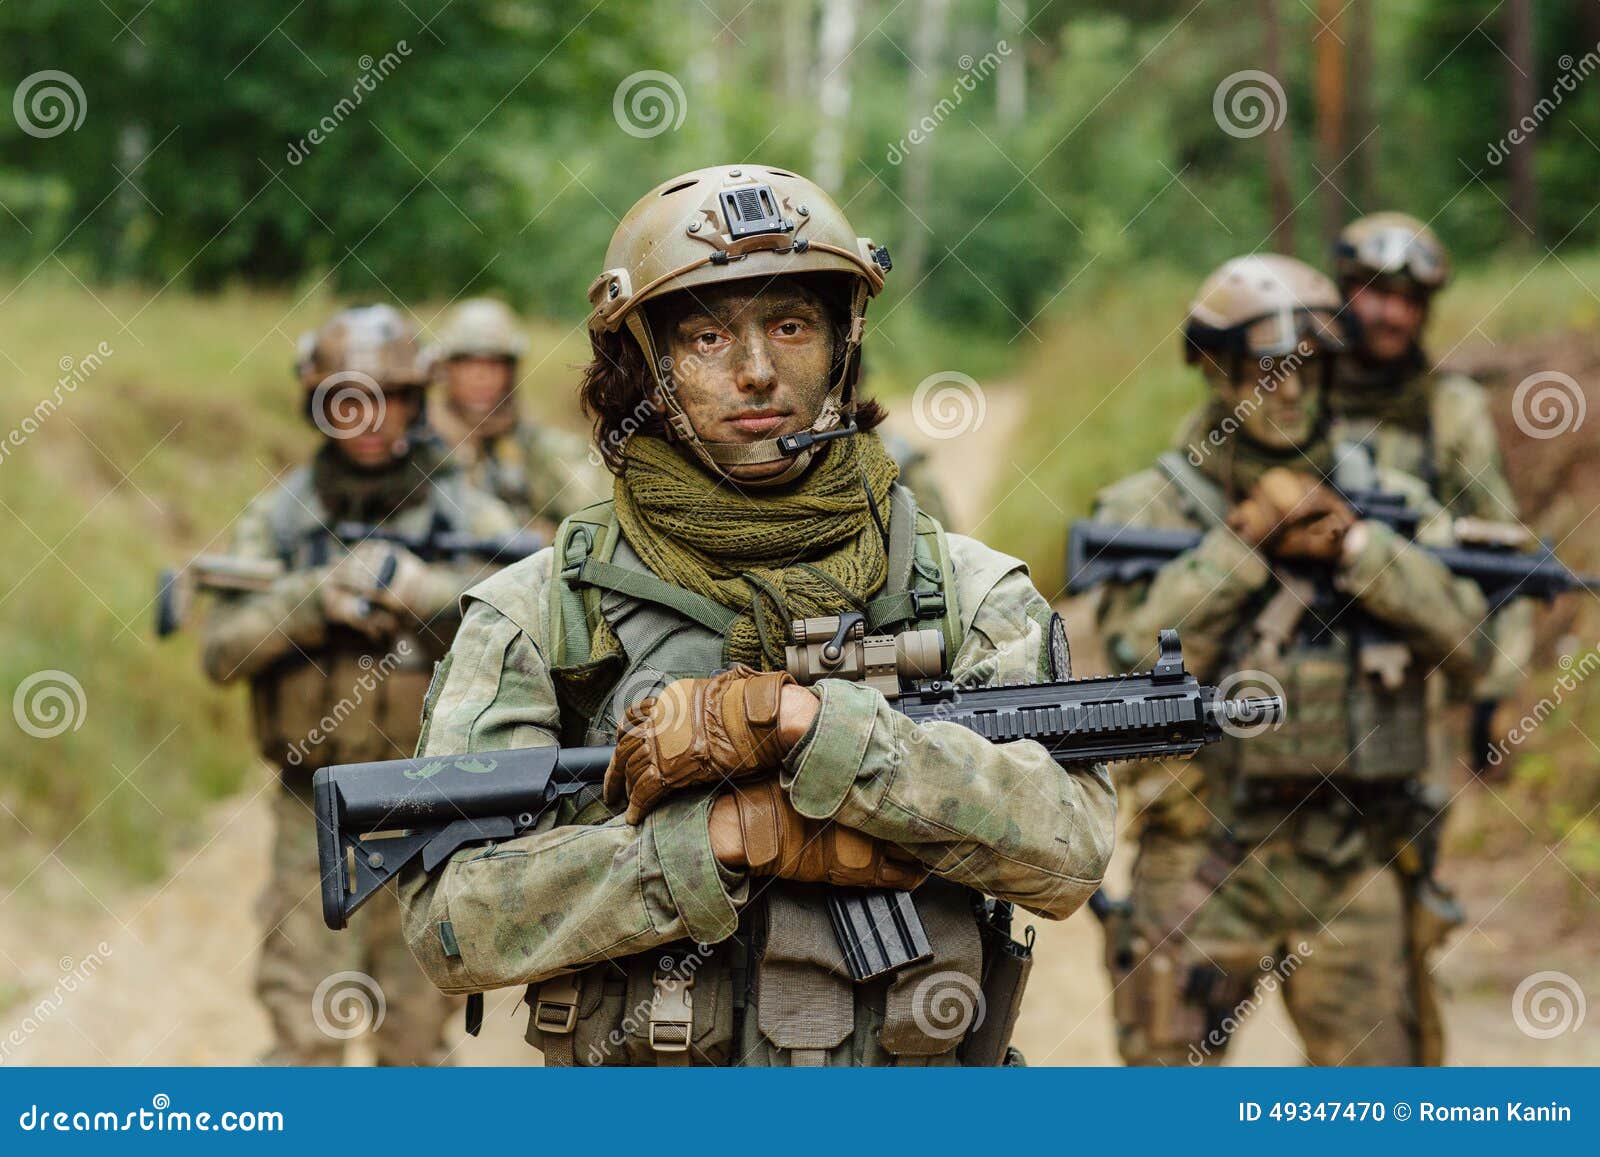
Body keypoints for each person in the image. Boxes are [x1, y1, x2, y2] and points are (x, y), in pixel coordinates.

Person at [396, 164, 1115, 1067]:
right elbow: (450, 922)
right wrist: (713, 844)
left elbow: (1069, 848)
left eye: (791, 325)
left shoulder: (966, 588)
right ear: (646, 366)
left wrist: (821, 730)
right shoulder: (541, 610)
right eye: (704, 337)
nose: (756, 371)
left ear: (842, 344)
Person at [1092, 255, 1487, 1066]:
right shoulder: (1153, 504)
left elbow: (1472, 646)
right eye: (1265, 372)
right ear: (1217, 368)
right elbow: (1132, 668)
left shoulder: (1389, 498)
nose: (1291, 393)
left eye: (1312, 370)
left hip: (1349, 855)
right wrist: (1242, 550)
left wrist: (1360, 548)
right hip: (1205, 851)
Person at [201, 305, 516, 1066]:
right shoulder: (280, 515)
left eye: (389, 395)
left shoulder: (464, 505)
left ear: (413, 401)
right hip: (314, 804)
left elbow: (521, 624)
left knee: (414, 1032)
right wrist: (312, 602)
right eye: (349, 398)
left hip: (432, 802)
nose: (371, 418)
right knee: (303, 1029)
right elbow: (221, 650)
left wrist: (424, 592)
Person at [1330, 213, 1532, 764]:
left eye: (1409, 300)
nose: (1392, 313)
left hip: (1411, 680)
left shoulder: (1451, 410)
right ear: (1345, 290)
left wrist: (1496, 691)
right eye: (1377, 293)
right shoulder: (1296, 396)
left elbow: (1505, 554)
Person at [427, 297, 609, 535]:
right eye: (468, 364)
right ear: (446, 370)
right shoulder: (422, 443)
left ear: (511, 372)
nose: (481, 377)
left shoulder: (533, 444)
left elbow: (595, 506)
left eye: (494, 365)